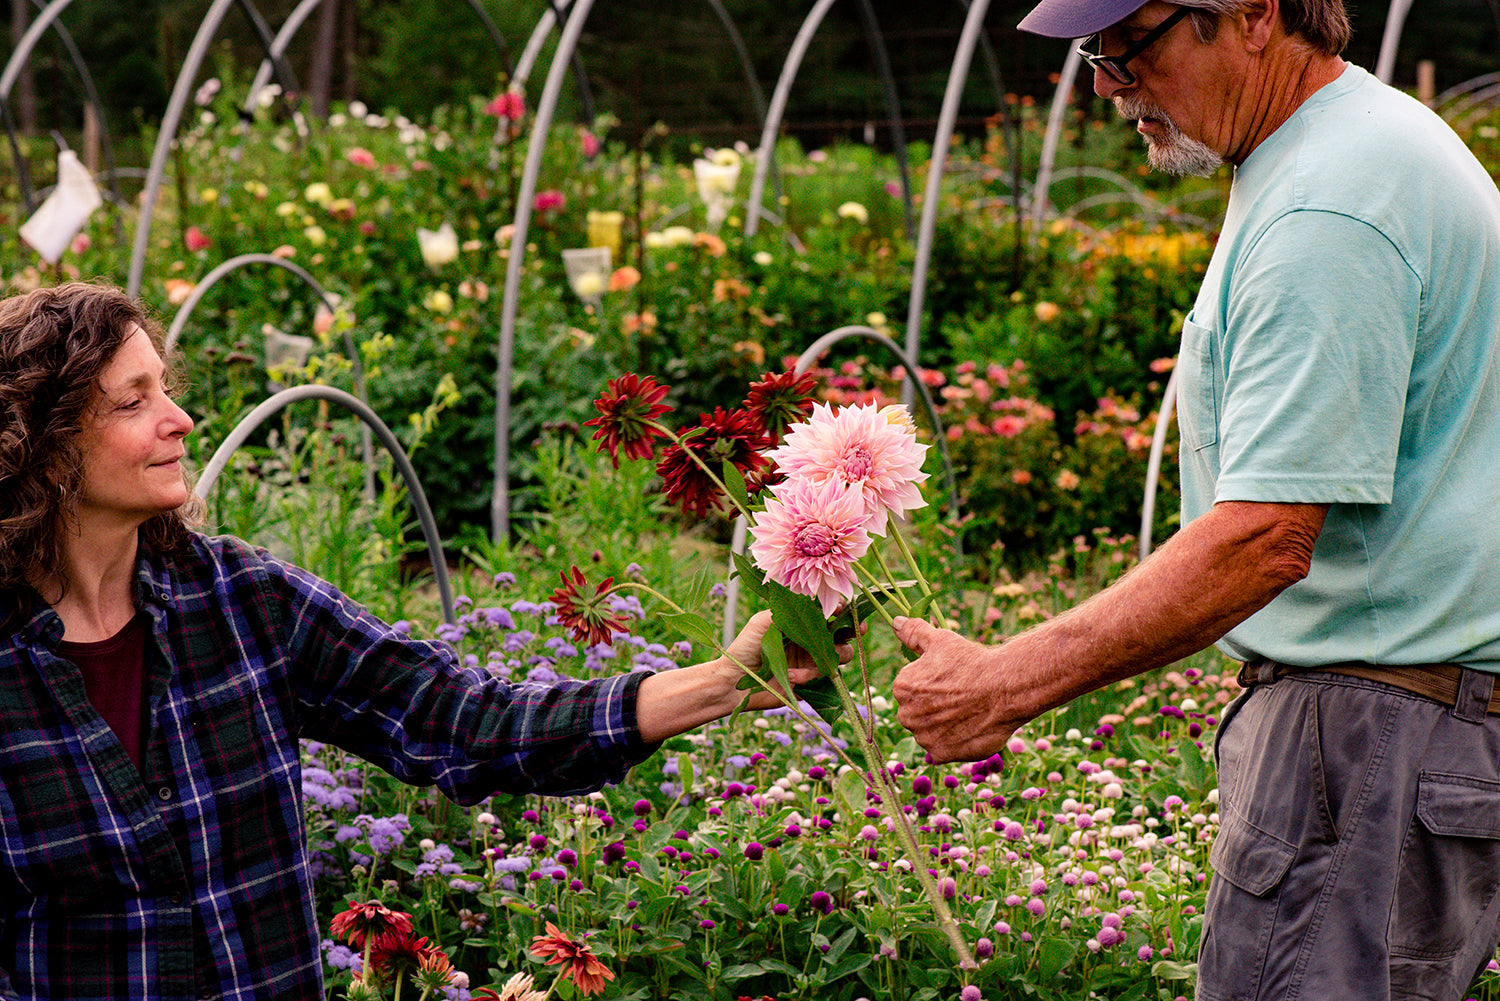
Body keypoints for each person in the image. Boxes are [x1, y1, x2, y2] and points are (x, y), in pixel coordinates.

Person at [891, 0, 1500, 997]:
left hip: (1372, 742)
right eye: (1099, 54)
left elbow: (1262, 537)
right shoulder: (1349, 150)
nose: (1106, 85)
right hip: (1404, 729)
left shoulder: (1328, 207)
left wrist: (1004, 681)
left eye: (1133, 49)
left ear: (1255, 15)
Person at [0, 281, 824, 1001]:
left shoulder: (239, 600)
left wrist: (718, 684)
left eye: (165, 388)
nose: (180, 419)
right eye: (132, 401)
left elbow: (461, 719)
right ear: (45, 444)